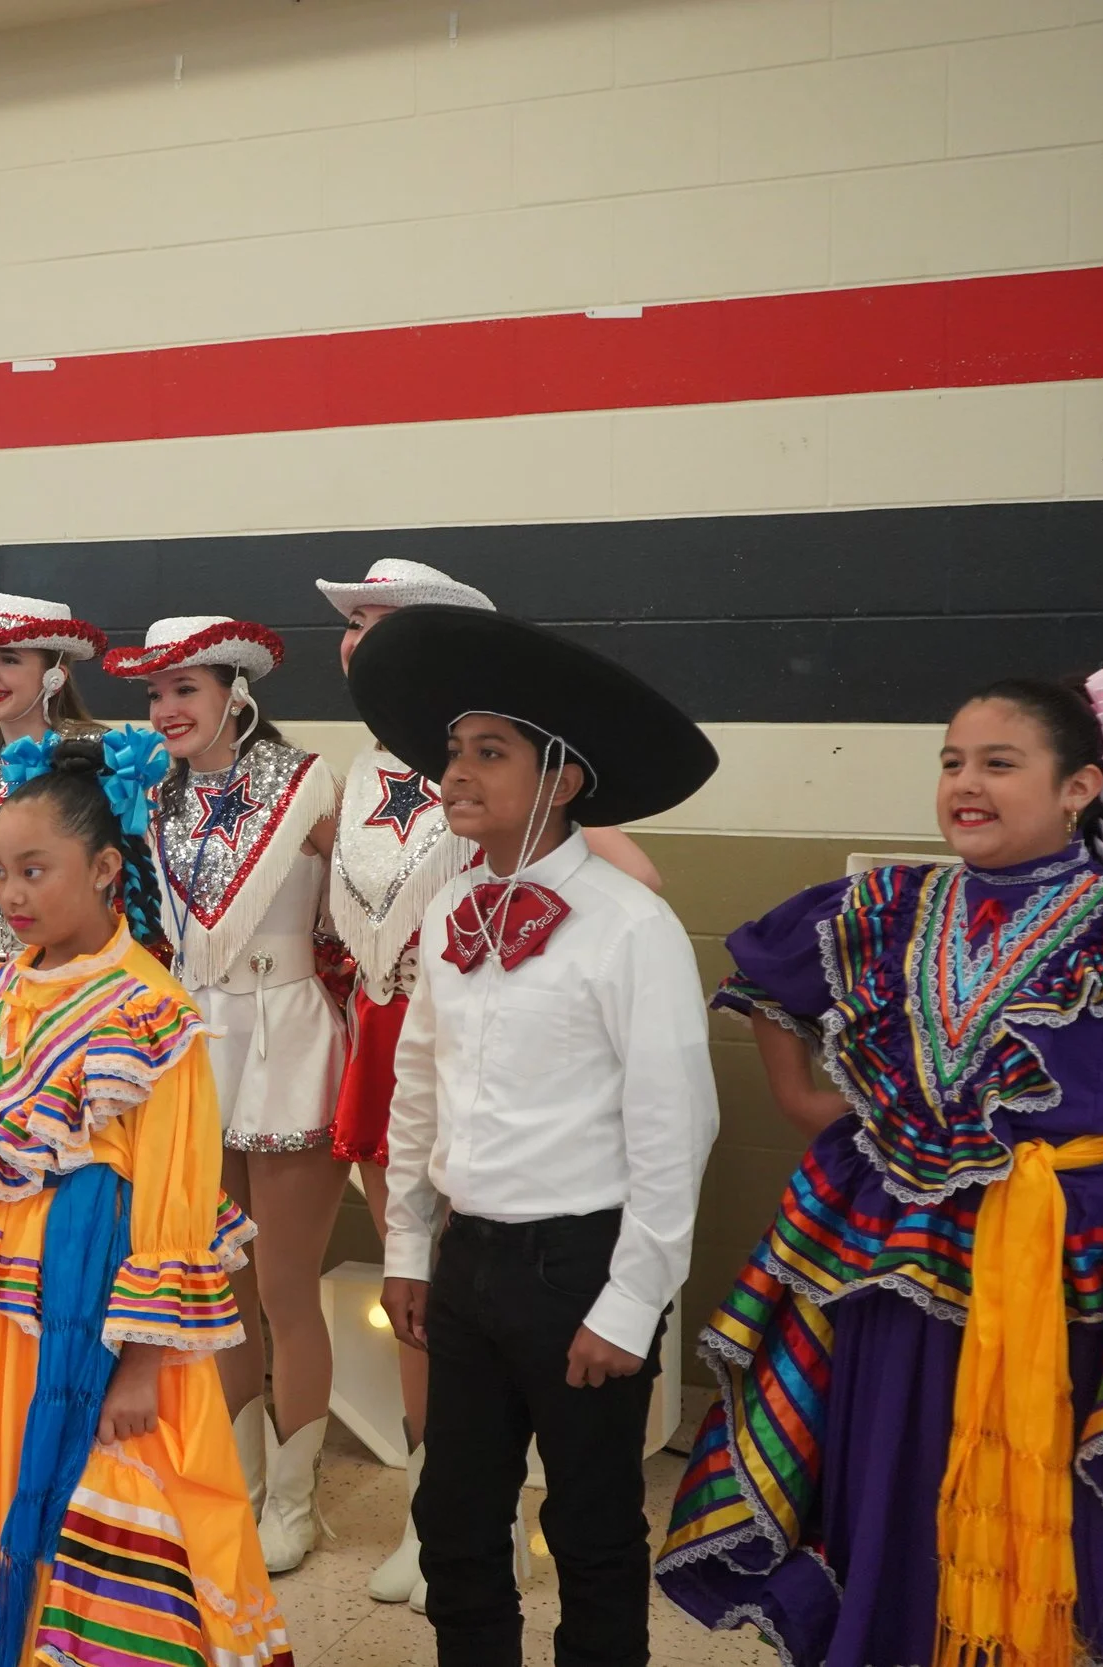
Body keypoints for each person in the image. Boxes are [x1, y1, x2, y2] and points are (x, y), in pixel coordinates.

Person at [658, 665, 1103, 1667]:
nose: (964, 782)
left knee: (1069, 1491)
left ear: (1080, 786)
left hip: (1078, 1268)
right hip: (895, 1262)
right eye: (951, 761)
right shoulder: (884, 902)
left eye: (999, 762)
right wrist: (807, 1101)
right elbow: (763, 971)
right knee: (890, 1479)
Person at [0, 730, 294, 1667]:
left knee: (107, 1498)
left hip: (96, 1315)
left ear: (103, 868)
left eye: (33, 871)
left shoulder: (151, 1008)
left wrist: (138, 1363)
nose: (9, 896)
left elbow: (177, 1199)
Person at [352, 604, 721, 1667]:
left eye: (487, 752)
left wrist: (629, 1299)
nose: (452, 773)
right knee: (458, 1521)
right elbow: (417, 1089)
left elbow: (674, 1124)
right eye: (451, 752)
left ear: (559, 778)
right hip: (468, 1259)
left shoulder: (629, 925)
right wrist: (412, 1246)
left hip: (582, 1264)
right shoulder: (450, 907)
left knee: (593, 1529)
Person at [314, 558, 663, 1605]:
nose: (355, 637)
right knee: (416, 1282)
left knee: (508, 1317)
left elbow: (626, 875)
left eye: (378, 621)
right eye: (351, 623)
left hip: (496, 1054)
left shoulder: (506, 763)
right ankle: (446, 1509)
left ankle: (510, 1522)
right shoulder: (364, 772)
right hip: (395, 1038)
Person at [102, 614, 344, 1570]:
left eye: (186, 691)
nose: (166, 710)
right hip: (202, 1043)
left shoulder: (308, 781)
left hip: (290, 1035)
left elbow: (359, 900)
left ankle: (296, 1497)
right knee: (222, 1286)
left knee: (286, 1284)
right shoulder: (153, 799)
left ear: (236, 694)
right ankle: (236, 1483)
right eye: (156, 694)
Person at [0, 592, 109, 964]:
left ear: (54, 676)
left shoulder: (100, 756)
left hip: (90, 982)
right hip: (8, 988)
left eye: (9, 659)